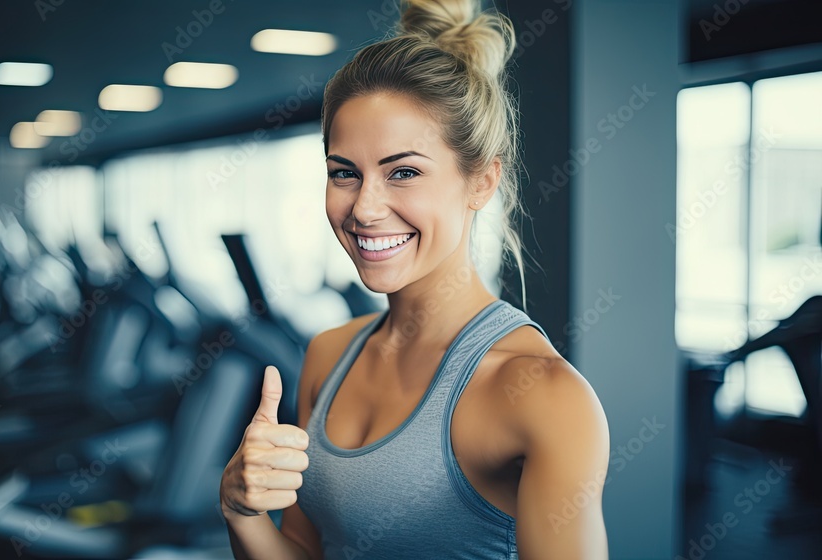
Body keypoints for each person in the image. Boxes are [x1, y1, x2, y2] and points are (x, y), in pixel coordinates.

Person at [219, 0, 610, 557]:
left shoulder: (543, 395)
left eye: (403, 172)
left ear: (481, 181)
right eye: (344, 173)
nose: (365, 209)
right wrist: (241, 511)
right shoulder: (327, 356)